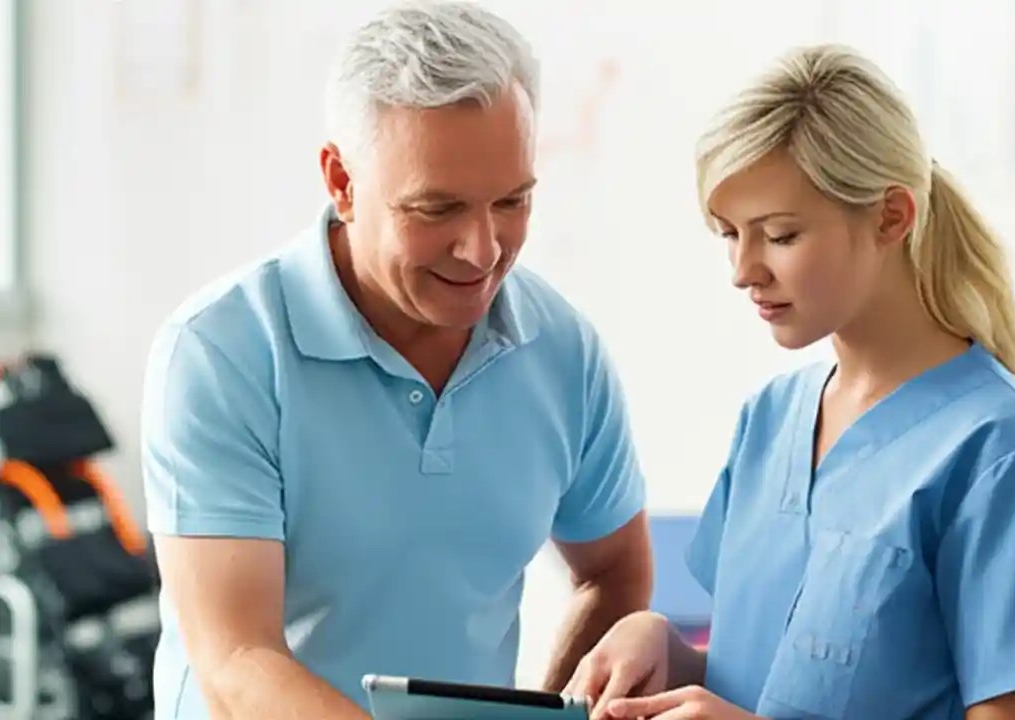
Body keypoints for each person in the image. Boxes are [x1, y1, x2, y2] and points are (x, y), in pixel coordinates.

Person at [139, 2, 653, 718]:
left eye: (511, 201)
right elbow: (237, 659)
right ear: (342, 182)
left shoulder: (564, 350)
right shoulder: (222, 353)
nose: (482, 250)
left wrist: (537, 714)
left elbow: (614, 573)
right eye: (436, 209)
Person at [566, 44, 1015, 720]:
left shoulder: (1001, 453)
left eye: (780, 235)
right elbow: (775, 679)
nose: (744, 269)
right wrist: (668, 652)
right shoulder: (770, 419)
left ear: (891, 217)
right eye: (729, 234)